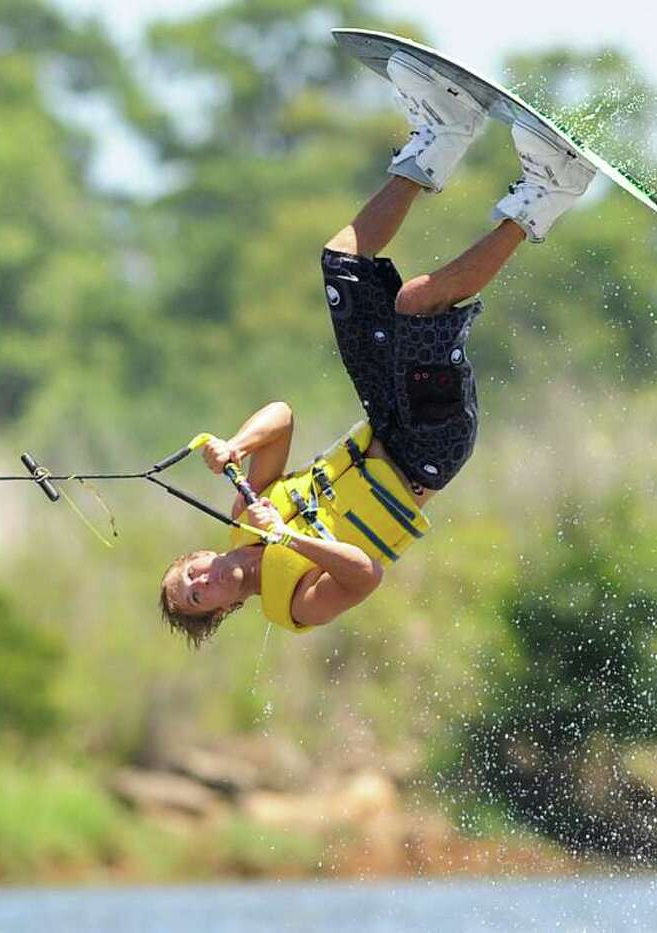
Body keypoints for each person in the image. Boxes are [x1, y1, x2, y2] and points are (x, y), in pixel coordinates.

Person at [159, 50, 596, 646]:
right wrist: (286, 538)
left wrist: (236, 446)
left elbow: (282, 417)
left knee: (343, 263)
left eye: (188, 574)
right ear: (216, 612)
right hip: (426, 453)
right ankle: (549, 192)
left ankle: (442, 136)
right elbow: (366, 575)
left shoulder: (244, 516)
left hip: (386, 417)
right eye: (195, 597)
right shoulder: (293, 609)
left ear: (196, 555)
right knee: (417, 303)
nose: (199, 582)